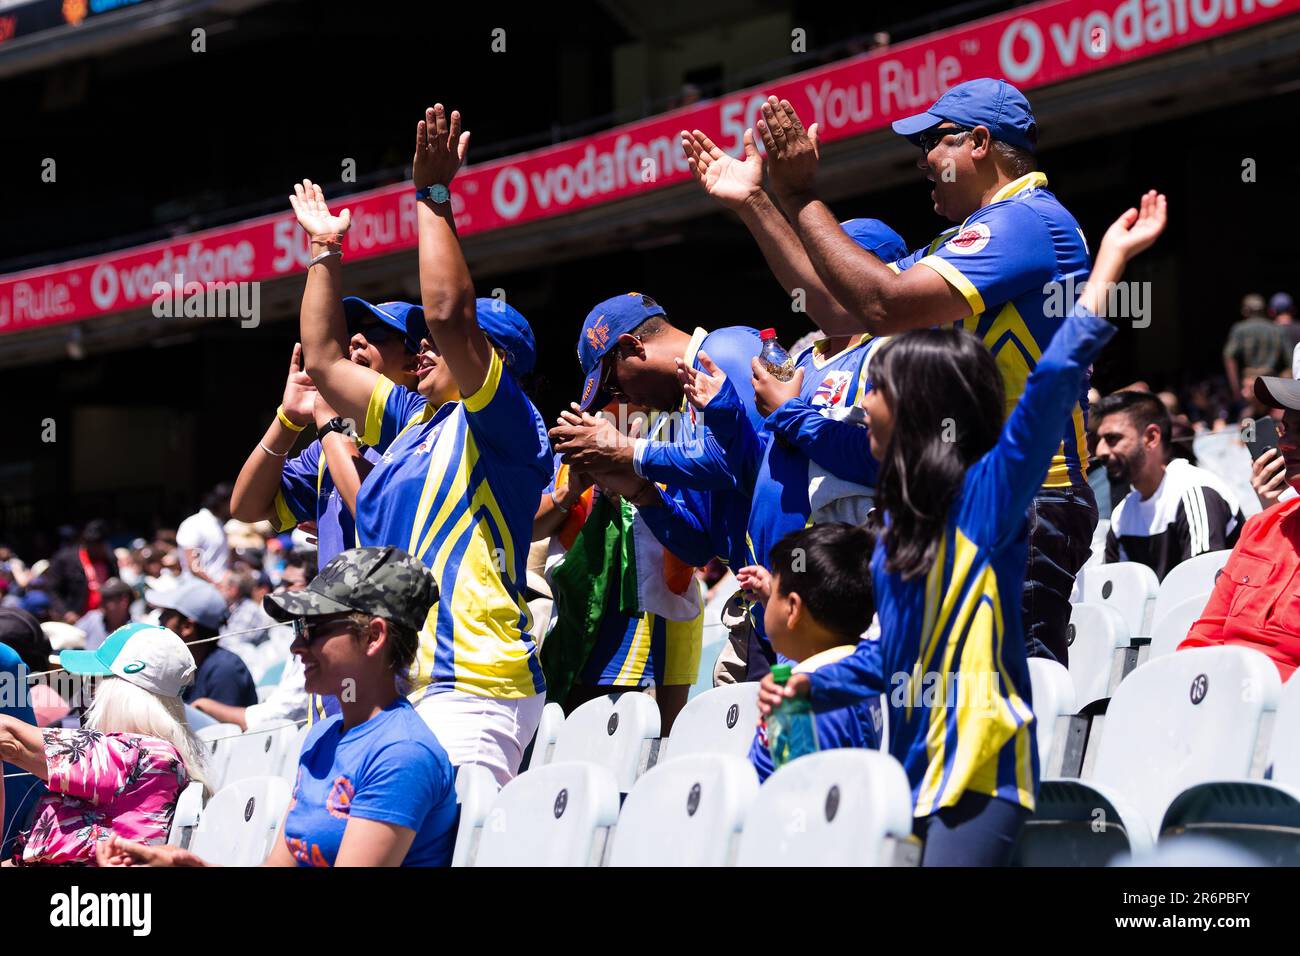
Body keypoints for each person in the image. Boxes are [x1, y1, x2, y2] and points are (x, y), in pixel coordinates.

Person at [759, 191, 1166, 865]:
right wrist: (813, 685)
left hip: (986, 774)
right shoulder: (893, 534)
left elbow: (1054, 379)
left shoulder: (991, 494)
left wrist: (1111, 265)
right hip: (918, 778)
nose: (863, 402)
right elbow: (892, 662)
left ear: (919, 407)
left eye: (878, 390)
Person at [688, 78, 1095, 667]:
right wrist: (757, 202)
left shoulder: (1026, 220)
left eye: (932, 142)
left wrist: (802, 194)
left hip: (1030, 498)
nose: (922, 162)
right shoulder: (966, 237)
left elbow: (885, 303)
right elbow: (836, 307)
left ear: (979, 142)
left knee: (1003, 699)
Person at [290, 104, 550, 784]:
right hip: (402, 684)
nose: (424, 346)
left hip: (473, 686)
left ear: (491, 359)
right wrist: (325, 252)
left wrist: (433, 196)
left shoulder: (502, 421)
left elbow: (449, 312)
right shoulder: (411, 418)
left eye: (440, 345)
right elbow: (320, 361)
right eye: (423, 343)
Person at [97, 547, 459, 868]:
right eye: (298, 628)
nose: (296, 647)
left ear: (373, 636)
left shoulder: (401, 754)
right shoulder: (322, 736)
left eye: (313, 629)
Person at [1, 623, 209, 865]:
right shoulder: (148, 755)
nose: (86, 691)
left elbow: (8, 737)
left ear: (119, 692)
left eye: (94, 681)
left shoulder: (142, 755)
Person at [736, 524, 881, 782]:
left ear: (792, 609)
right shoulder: (861, 674)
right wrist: (772, 597)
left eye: (777, 587)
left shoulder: (797, 703)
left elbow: (788, 794)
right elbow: (801, 648)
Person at [1181, 375, 1300, 679]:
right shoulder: (1261, 527)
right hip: (1219, 701)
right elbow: (1204, 637)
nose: (1285, 443)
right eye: (1284, 428)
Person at [1095, 390, 1244, 580]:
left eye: (1112, 439)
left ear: (1151, 437)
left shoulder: (1194, 492)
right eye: (1098, 440)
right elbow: (1117, 596)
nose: (1100, 451)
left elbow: (1201, 591)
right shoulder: (1122, 515)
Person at [146, 577, 256, 709]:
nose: (160, 619)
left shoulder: (226, 671)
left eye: (167, 614)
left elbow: (224, 729)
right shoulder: (184, 666)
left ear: (187, 626)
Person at [43, 520, 118, 624]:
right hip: (76, 619)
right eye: (93, 544)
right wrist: (65, 613)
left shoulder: (110, 560)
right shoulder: (65, 559)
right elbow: (51, 589)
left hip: (104, 620)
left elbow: (116, 584)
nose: (96, 548)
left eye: (100, 544)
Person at [1223, 293, 1288, 400]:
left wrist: (1235, 388)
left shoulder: (1240, 329)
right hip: (1271, 386)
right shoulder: (1277, 330)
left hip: (1248, 386)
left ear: (1245, 310)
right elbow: (1289, 363)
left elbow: (1228, 356)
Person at [177, 483, 233, 581]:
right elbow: (193, 566)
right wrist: (214, 585)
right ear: (222, 502)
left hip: (218, 590)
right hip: (198, 589)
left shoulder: (220, 525)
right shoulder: (193, 523)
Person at [75, 577, 135, 650]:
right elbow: (73, 636)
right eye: (102, 597)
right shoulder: (92, 619)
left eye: (108, 598)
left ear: (123, 600)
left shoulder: (135, 628)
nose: (102, 602)